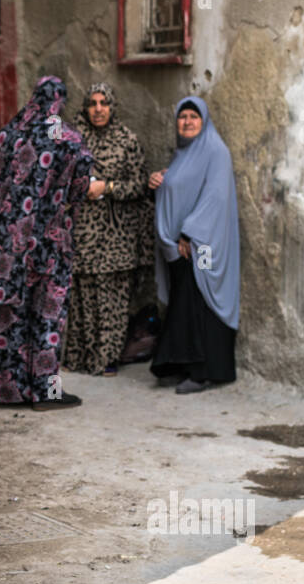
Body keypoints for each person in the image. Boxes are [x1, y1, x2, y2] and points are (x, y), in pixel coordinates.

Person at [0, 73, 94, 409]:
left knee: (6, 316)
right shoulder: (69, 139)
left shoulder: (7, 136)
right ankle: (45, 392)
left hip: (7, 245)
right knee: (47, 318)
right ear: (60, 102)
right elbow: (80, 188)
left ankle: (1, 390)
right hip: (50, 244)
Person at [149, 98, 240, 393]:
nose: (187, 122)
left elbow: (216, 197)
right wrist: (159, 180)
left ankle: (205, 372)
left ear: (204, 121)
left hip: (204, 248)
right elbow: (180, 188)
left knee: (203, 299)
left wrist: (189, 233)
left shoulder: (216, 151)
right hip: (183, 247)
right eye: (182, 116)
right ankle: (182, 364)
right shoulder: (184, 154)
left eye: (193, 117)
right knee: (186, 303)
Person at [64, 82, 150, 376]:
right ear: (86, 107)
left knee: (112, 301)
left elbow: (140, 185)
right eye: (93, 103)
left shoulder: (127, 140)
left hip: (116, 238)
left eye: (104, 103)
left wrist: (108, 187)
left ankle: (107, 359)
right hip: (83, 236)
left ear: (112, 107)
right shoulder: (72, 140)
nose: (98, 109)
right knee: (83, 299)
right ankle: (80, 358)